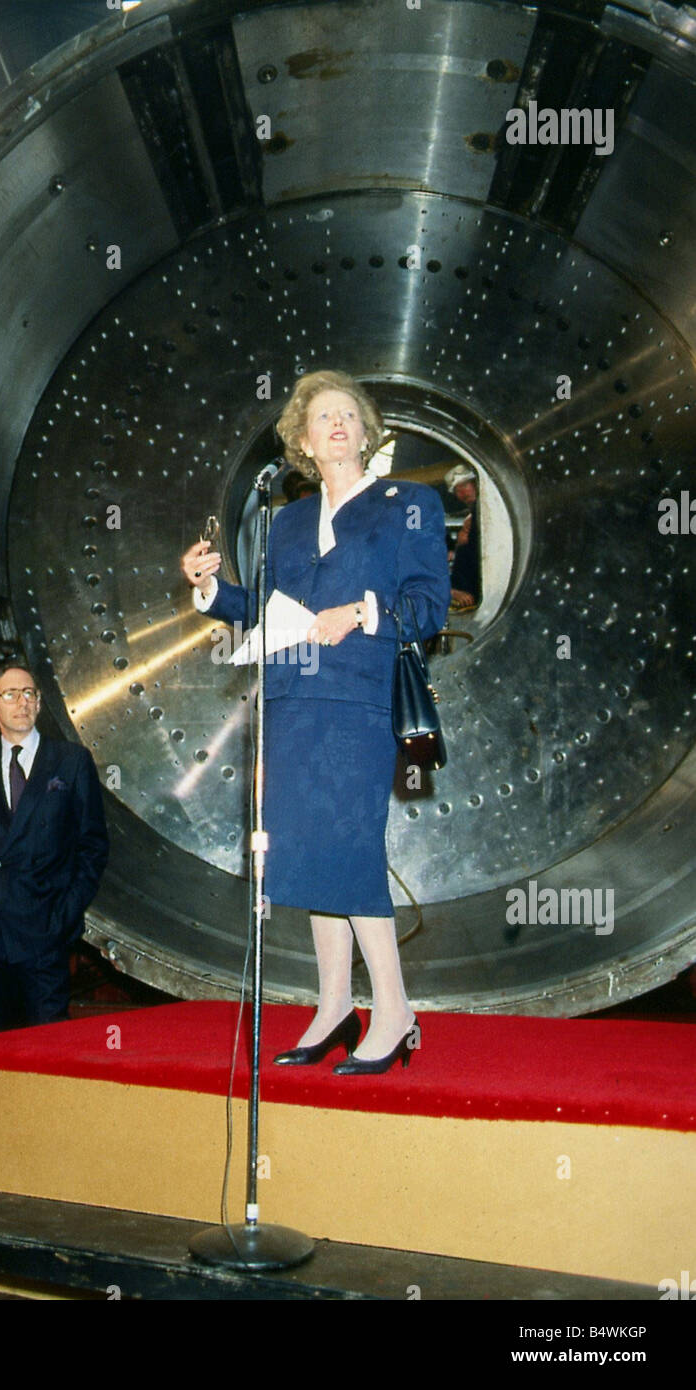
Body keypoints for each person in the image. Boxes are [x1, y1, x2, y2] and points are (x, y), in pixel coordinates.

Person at [181, 370, 450, 1075]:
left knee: (351, 848)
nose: (336, 424)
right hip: (290, 703)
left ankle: (394, 1009)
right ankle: (334, 1005)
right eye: (321, 417)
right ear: (302, 440)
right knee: (306, 855)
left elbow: (429, 607)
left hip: (358, 700)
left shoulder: (409, 504)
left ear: (366, 432)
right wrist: (210, 588)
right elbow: (270, 609)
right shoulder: (289, 519)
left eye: (348, 414)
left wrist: (364, 614)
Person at [0, 664, 109, 1035]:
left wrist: (62, 916)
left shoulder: (70, 760)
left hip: (42, 936)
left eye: (30, 693)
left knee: (45, 1053)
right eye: (11, 694)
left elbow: (93, 847)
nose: (23, 702)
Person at [445, 463, 480, 610]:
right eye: (457, 491)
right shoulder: (474, 518)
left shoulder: (478, 517)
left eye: (465, 485)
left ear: (476, 483)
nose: (462, 493)